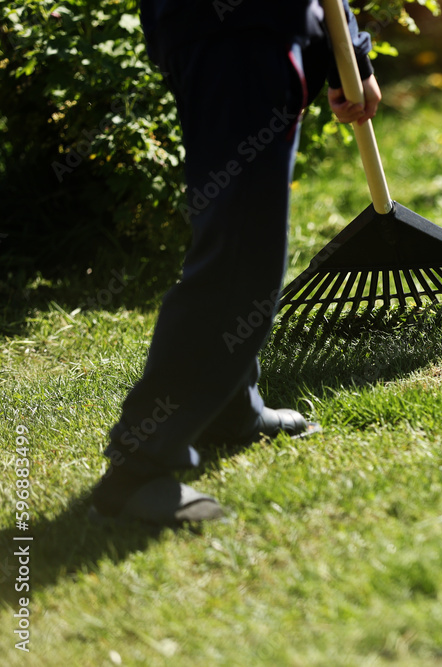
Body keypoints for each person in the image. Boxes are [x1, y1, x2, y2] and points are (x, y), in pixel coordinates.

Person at [89, 0, 380, 525]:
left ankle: (229, 407)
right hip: (239, 32)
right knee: (241, 258)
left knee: (236, 226)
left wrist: (348, 54)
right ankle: (139, 465)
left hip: (236, 29)